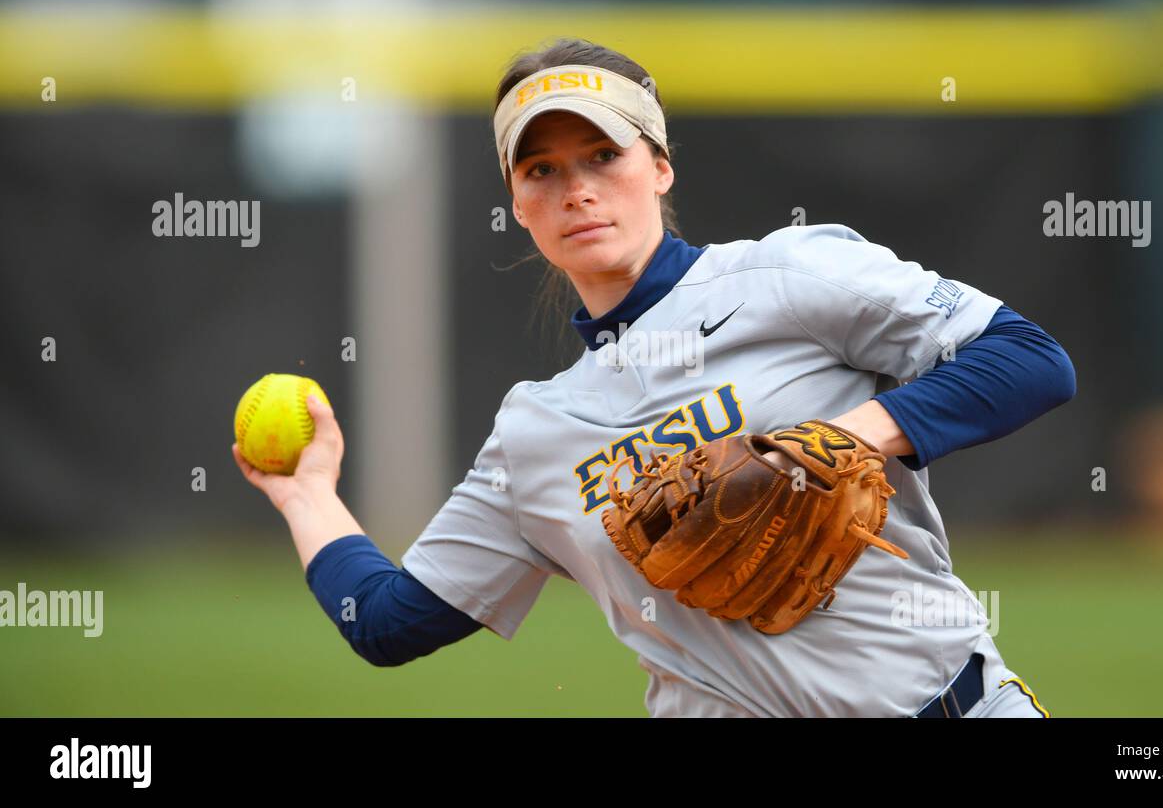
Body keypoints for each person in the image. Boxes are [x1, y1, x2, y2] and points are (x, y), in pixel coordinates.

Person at [234, 37, 1074, 718]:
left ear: (661, 166)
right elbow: (385, 622)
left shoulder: (791, 275)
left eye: (604, 153)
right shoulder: (536, 434)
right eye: (542, 171)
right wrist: (308, 494)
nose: (577, 189)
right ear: (518, 204)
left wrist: (841, 437)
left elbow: (1032, 361)